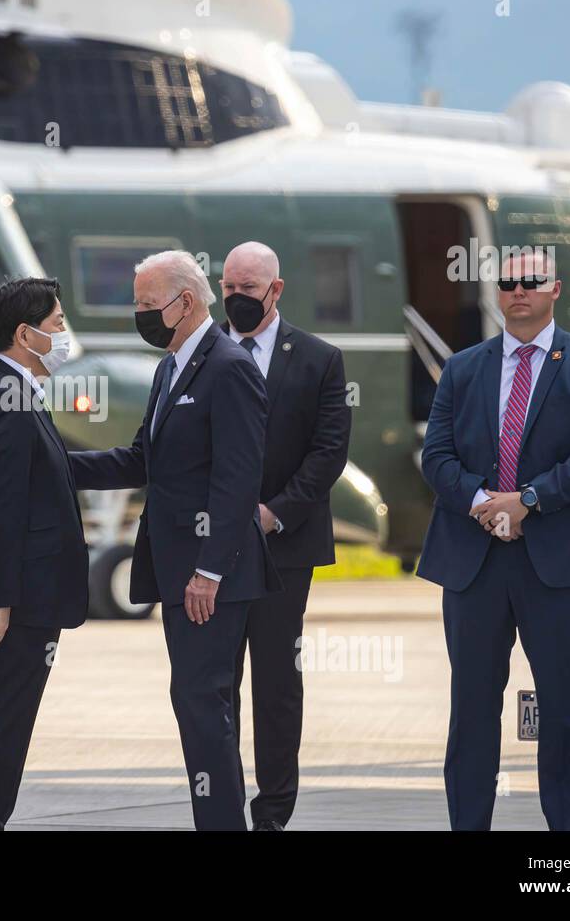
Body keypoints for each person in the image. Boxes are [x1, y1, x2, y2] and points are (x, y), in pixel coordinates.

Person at [418, 250, 570, 831]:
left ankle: (565, 837)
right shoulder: (462, 368)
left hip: (555, 562)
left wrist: (528, 500)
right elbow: (437, 456)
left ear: (555, 288)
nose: (518, 292)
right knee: (472, 710)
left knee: (562, 708)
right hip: (473, 559)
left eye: (531, 282)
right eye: (507, 282)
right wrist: (485, 502)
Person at [69, 250, 274, 831]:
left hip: (210, 579)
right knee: (197, 704)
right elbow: (142, 460)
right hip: (182, 573)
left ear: (185, 302)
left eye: (145, 304)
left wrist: (210, 571)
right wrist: (58, 466)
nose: (140, 314)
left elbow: (237, 481)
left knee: (204, 706)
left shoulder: (228, 367)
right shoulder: (171, 367)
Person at [0, 277, 88, 830]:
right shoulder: (6, 397)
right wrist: (0, 602)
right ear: (25, 335)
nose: (63, 337)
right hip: (15, 607)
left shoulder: (10, 389)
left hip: (20, 600)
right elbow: (0, 508)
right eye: (56, 326)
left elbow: (44, 476)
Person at [219, 241, 351, 831]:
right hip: (212, 544)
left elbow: (328, 454)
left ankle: (272, 811)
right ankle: (219, 803)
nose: (236, 299)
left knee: (275, 682)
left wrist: (276, 513)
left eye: (248, 289)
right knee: (214, 685)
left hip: (283, 545)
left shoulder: (320, 359)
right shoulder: (204, 351)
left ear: (275, 290)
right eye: (228, 289)